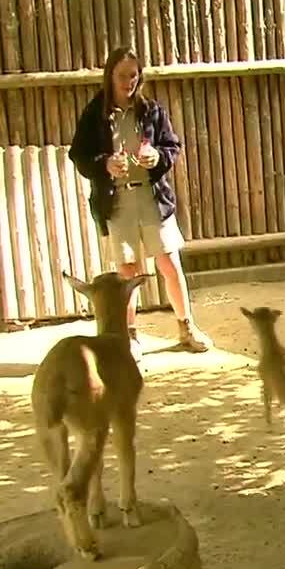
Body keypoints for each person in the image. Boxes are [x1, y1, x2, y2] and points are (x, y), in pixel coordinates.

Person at [70, 45, 213, 353]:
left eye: (133, 75)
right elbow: (79, 155)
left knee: (169, 262)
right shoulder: (95, 113)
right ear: (109, 76)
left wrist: (157, 157)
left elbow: (172, 146)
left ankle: (187, 328)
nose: (128, 82)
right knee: (127, 271)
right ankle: (129, 336)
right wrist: (105, 164)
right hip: (117, 200)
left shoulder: (151, 110)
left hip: (151, 197)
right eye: (122, 75)